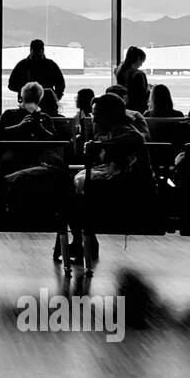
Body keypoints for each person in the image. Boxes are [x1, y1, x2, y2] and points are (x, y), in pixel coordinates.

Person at [68, 92, 148, 273]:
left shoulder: (124, 132)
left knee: (73, 195)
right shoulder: (116, 130)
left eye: (96, 114)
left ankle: (81, 240)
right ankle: (82, 240)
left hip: (124, 189)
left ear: (109, 115)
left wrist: (101, 146)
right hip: (122, 185)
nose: (93, 117)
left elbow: (137, 139)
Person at [115, 46, 149, 114]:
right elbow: (143, 96)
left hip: (123, 107)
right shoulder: (139, 74)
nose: (141, 65)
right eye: (141, 61)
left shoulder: (119, 71)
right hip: (137, 109)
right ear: (138, 59)